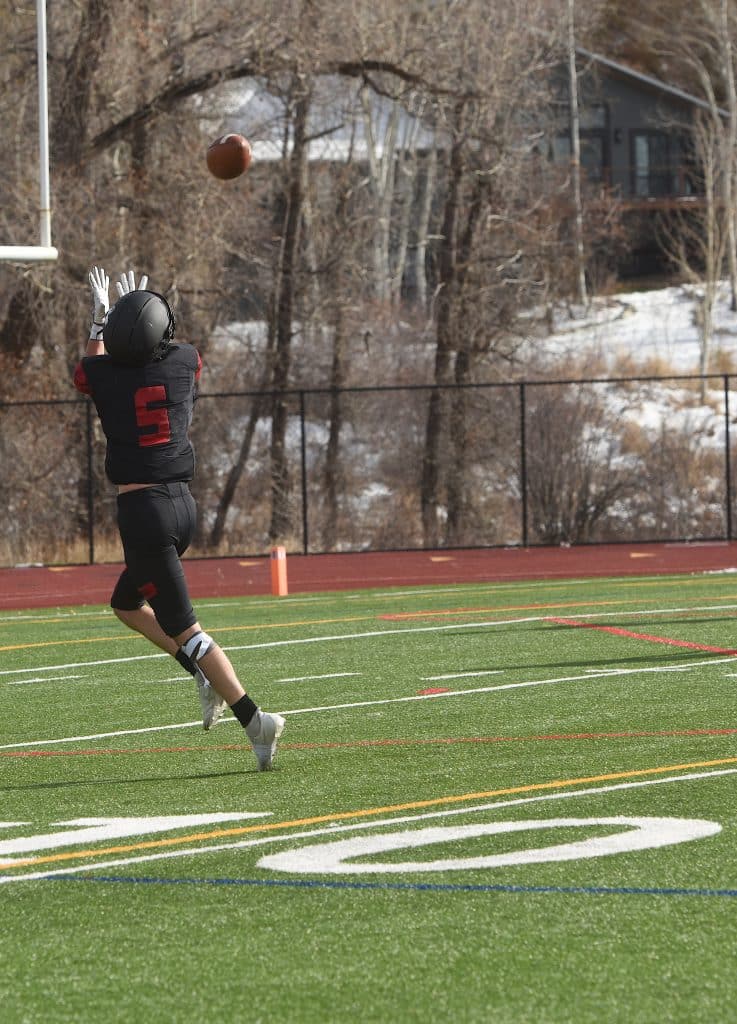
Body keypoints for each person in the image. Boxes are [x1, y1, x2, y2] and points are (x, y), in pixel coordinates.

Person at [73, 266, 285, 770]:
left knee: (188, 630)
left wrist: (103, 322)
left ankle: (255, 719)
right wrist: (137, 315)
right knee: (126, 603)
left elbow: (87, 370)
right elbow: (169, 347)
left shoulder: (106, 376)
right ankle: (199, 672)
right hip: (182, 507)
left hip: (144, 515)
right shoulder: (185, 362)